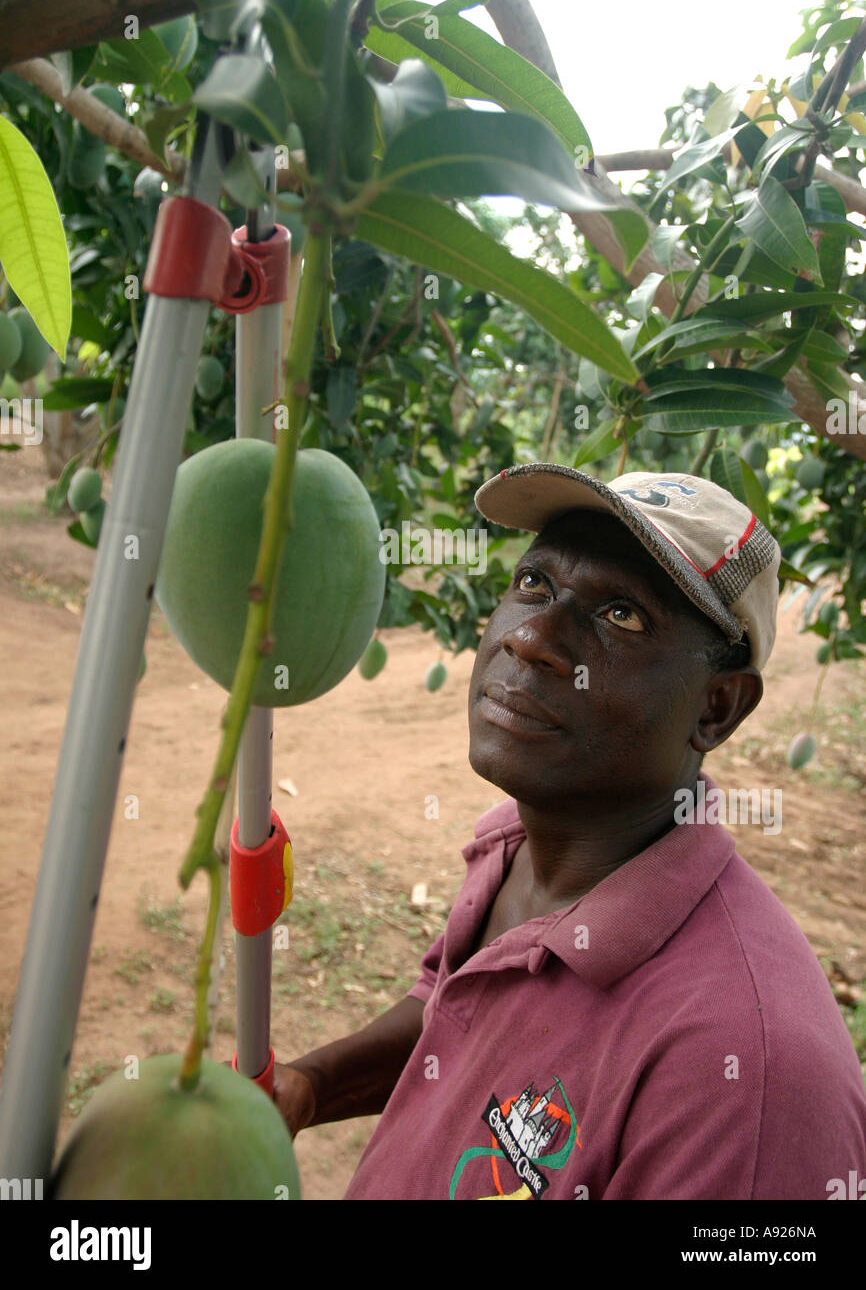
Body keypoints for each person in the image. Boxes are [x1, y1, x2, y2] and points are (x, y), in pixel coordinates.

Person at [271, 463, 866, 1200]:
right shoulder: (517, 847)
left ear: (717, 707)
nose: (532, 640)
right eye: (535, 587)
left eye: (622, 616)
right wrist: (311, 1085)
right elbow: (455, 1016)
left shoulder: (748, 1075)